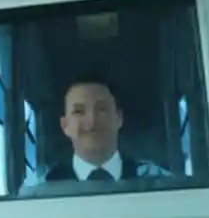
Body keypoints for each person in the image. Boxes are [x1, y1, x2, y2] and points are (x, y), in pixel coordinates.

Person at [24, 74, 170, 188]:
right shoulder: (40, 190)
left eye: (102, 109)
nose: (92, 121)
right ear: (65, 125)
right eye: (79, 111)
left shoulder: (160, 183)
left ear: (118, 118)